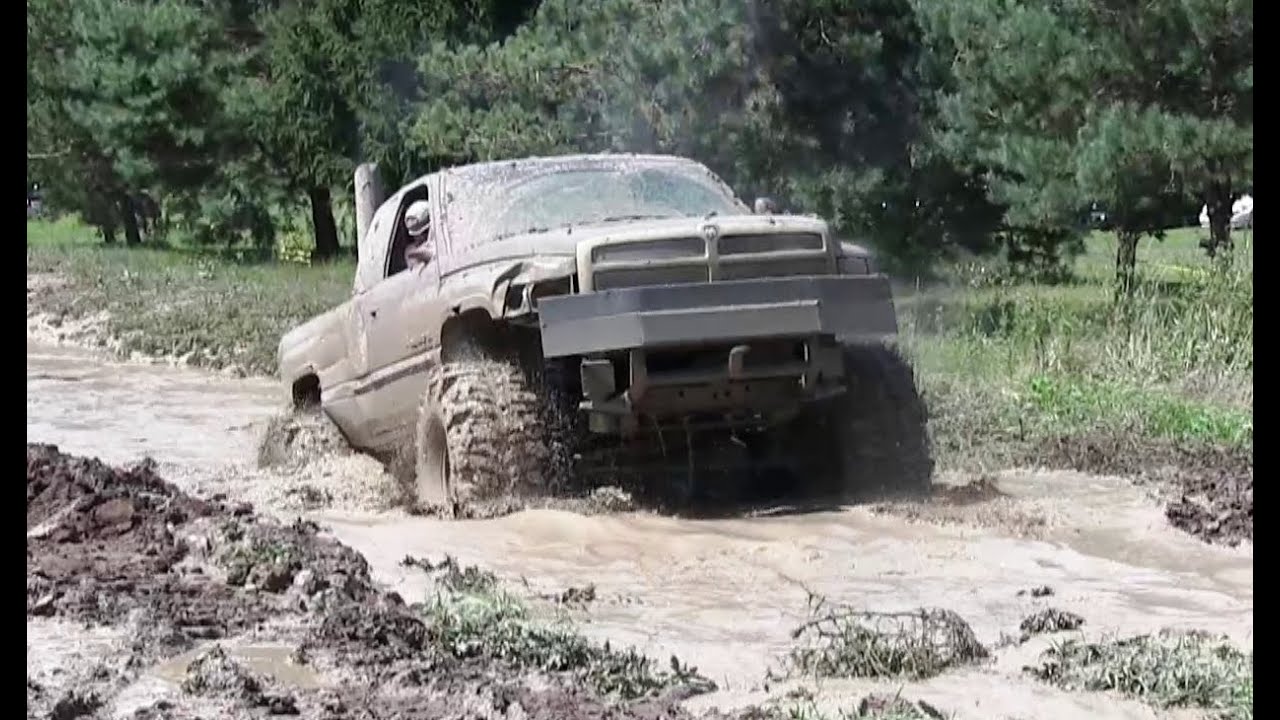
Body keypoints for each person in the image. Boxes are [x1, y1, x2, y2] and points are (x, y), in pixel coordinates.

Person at [403, 200, 434, 269]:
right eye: (416, 235)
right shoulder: (411, 250)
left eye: (425, 232)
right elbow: (413, 258)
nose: (421, 237)